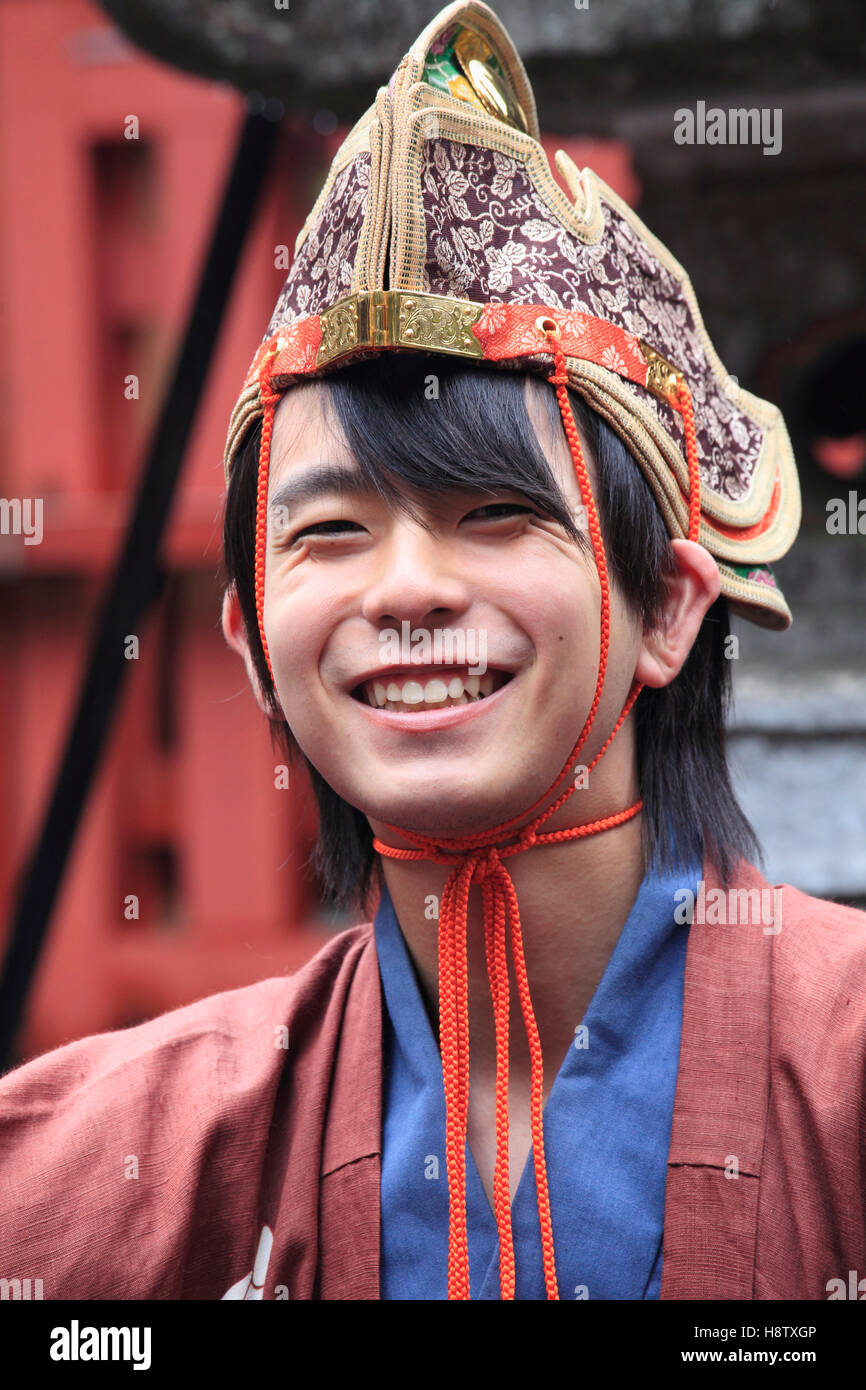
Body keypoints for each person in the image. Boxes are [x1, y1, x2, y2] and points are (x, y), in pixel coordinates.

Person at [1, 0, 864, 1301]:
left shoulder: (839, 1074)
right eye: (331, 531)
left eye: (495, 513)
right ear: (249, 640)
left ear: (671, 604)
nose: (404, 588)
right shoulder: (128, 1152)